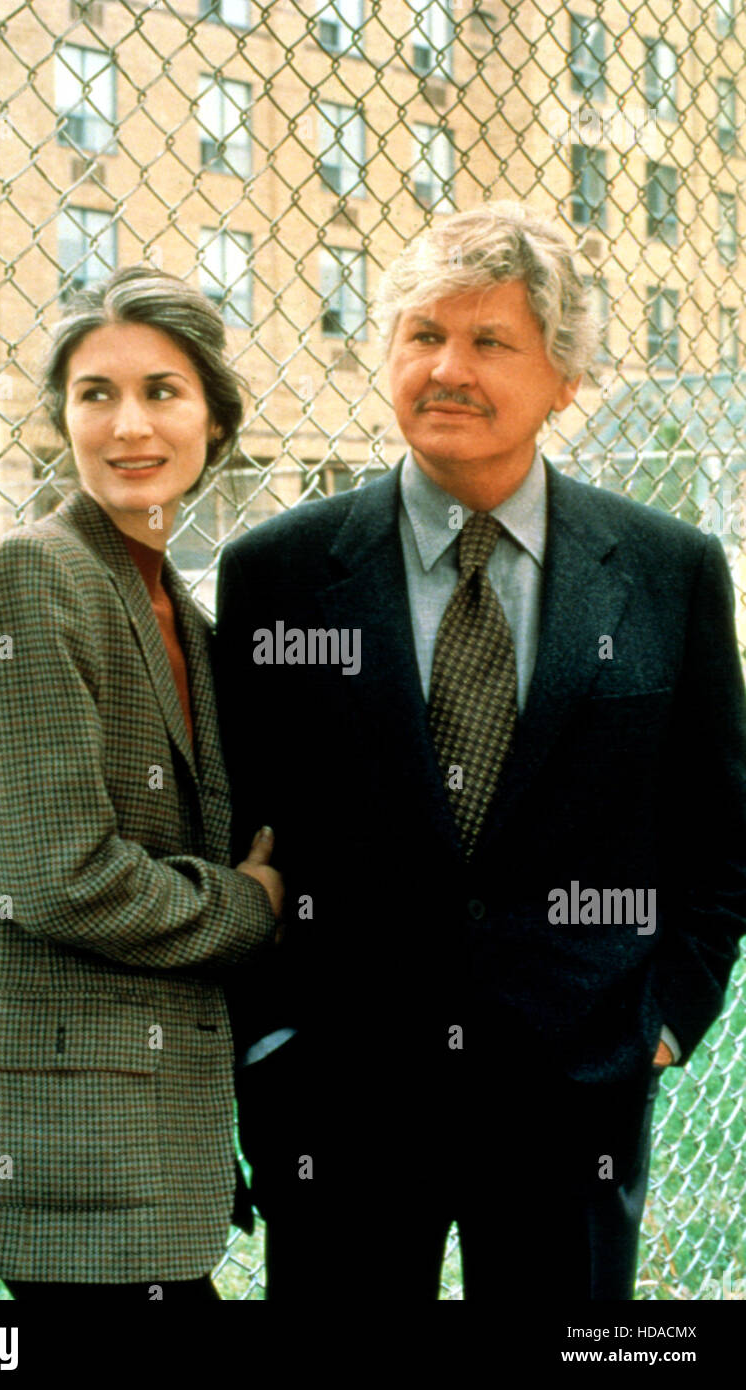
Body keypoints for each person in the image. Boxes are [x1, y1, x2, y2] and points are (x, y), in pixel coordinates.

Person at [214, 203, 746, 1301]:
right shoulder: (277, 569)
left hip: (578, 1084)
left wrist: (666, 1015)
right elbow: (238, 823)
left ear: (567, 377)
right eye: (422, 335)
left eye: (491, 341)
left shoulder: (669, 570)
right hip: (341, 1094)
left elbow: (717, 822)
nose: (447, 368)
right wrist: (271, 1039)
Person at [0, 265, 283, 1302]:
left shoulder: (182, 611)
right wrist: (252, 903)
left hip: (147, 1118)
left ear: (214, 420)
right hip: (63, 1133)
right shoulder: (35, 573)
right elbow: (60, 876)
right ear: (61, 418)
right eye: (94, 393)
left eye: (161, 390)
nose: (126, 423)